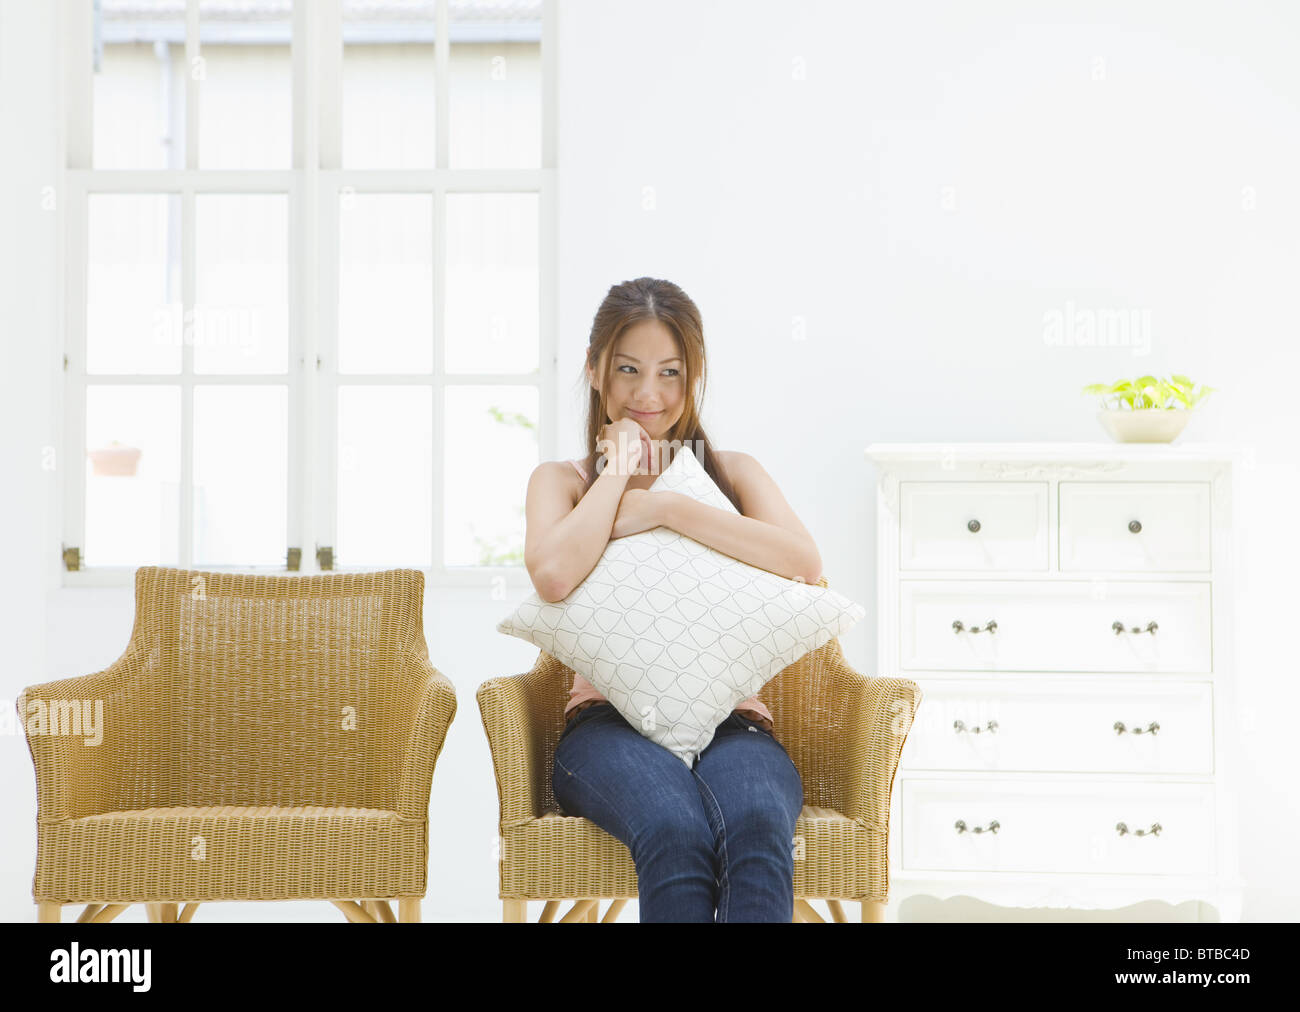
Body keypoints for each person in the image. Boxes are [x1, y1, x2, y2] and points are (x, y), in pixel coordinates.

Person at [522, 276, 823, 922]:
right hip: (607, 729)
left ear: (694, 378)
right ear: (595, 369)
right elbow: (551, 575)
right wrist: (619, 475)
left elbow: (804, 565)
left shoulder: (734, 474)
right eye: (628, 370)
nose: (649, 394)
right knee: (676, 831)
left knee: (757, 828)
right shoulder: (563, 483)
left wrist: (669, 509)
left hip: (733, 725)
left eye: (670, 373)